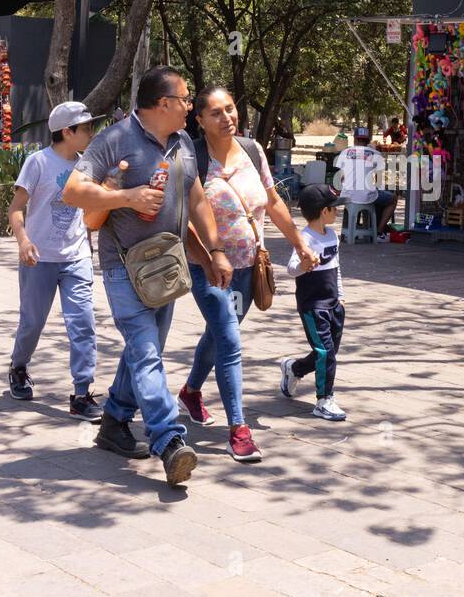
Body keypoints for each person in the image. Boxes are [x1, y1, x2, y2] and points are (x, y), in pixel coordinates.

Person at [62, 66, 229, 488]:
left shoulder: (182, 144)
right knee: (147, 352)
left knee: (143, 351)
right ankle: (169, 441)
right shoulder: (115, 139)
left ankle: (115, 421)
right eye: (186, 100)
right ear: (163, 104)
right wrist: (126, 197)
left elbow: (197, 200)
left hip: (166, 265)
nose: (190, 107)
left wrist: (215, 252)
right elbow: (73, 191)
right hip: (124, 266)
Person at [178, 86, 319, 462]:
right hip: (207, 267)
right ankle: (239, 430)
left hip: (247, 267)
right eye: (216, 113)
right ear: (200, 120)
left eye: (230, 109)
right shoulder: (192, 156)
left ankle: (191, 391)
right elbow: (182, 218)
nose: (227, 117)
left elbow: (272, 202)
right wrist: (211, 257)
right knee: (229, 340)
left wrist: (300, 243)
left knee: (220, 333)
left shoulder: (253, 151)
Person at [6, 101, 101, 420]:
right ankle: (19, 367)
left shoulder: (87, 164)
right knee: (32, 322)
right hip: (38, 258)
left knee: (83, 323)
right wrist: (23, 240)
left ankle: (81, 392)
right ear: (67, 131)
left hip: (76, 257)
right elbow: (15, 208)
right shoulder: (37, 162)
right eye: (86, 128)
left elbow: (90, 208)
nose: (91, 133)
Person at [280, 184, 349, 421]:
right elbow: (290, 269)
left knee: (327, 353)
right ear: (323, 211)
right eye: (334, 208)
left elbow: (336, 267)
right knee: (325, 352)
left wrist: (340, 296)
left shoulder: (332, 236)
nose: (337, 212)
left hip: (334, 304)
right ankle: (324, 400)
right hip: (313, 306)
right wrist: (304, 265)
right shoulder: (304, 239)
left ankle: (294, 369)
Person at [333, 126, 397, 242]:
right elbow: (379, 179)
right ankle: (379, 232)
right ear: (368, 140)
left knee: (373, 195)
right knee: (392, 199)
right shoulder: (376, 153)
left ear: (355, 139)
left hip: (346, 195)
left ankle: (347, 232)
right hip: (366, 195)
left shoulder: (345, 152)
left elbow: (341, 176)